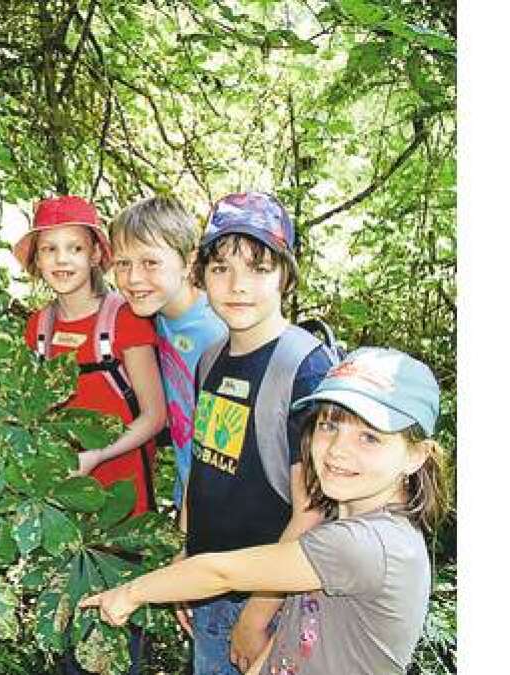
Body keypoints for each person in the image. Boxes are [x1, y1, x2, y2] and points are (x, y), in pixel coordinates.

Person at [81, 347, 447, 675]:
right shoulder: (349, 521)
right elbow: (302, 624)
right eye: (329, 425)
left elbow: (221, 573)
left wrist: (130, 593)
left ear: (417, 455)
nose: (337, 449)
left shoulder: (367, 545)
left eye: (369, 437)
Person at [176, 192, 335, 674]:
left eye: (259, 268)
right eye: (221, 268)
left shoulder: (304, 369)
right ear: (201, 275)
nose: (238, 285)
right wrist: (187, 561)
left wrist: (258, 611)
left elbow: (312, 510)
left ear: (286, 276)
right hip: (211, 583)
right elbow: (205, 465)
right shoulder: (210, 357)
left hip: (262, 599)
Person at [14, 195, 168, 516]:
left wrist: (96, 454)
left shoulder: (125, 319)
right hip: (62, 492)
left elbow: (155, 415)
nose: (62, 260)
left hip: (125, 491)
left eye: (75, 248)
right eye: (49, 249)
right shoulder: (37, 327)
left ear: (95, 254)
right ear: (37, 260)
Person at [109, 196, 227, 513]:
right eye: (123, 263)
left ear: (189, 262)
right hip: (188, 490)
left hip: (219, 505)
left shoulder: (215, 334)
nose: (133, 278)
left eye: (151, 263)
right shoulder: (156, 317)